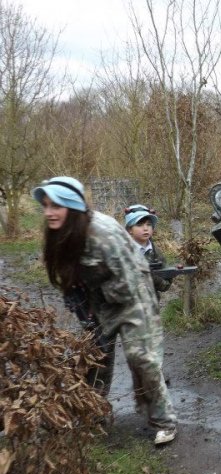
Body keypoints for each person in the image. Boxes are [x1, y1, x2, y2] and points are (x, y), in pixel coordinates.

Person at [33, 176, 178, 445]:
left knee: (142, 359)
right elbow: (67, 276)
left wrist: (106, 315)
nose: (49, 212)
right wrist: (83, 308)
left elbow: (130, 281)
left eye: (56, 205)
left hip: (132, 297)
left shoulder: (104, 232)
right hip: (97, 300)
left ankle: (164, 421)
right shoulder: (60, 232)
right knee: (94, 358)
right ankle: (94, 416)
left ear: (72, 205)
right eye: (46, 206)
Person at [123, 204, 173, 298]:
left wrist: (152, 277)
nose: (145, 228)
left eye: (149, 224)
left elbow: (166, 285)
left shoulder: (156, 253)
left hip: (152, 307)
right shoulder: (122, 251)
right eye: (139, 225)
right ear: (130, 230)